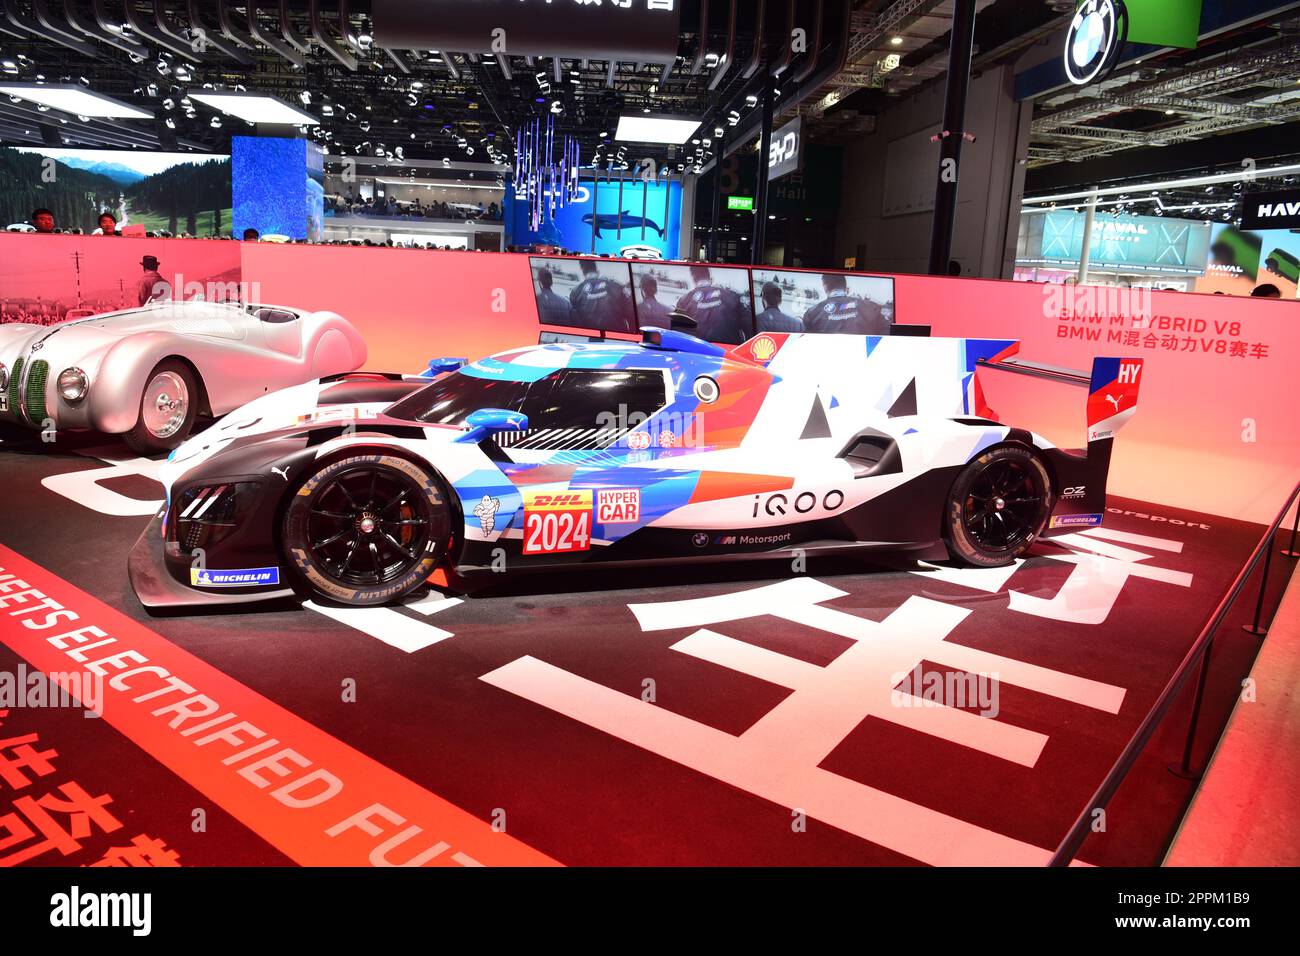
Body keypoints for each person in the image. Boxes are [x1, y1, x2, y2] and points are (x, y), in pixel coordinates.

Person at [674, 265, 750, 343]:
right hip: (727, 351)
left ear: (694, 279)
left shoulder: (683, 300)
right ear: (711, 279)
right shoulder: (732, 296)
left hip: (696, 351)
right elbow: (749, 327)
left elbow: (677, 334)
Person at [802, 273, 890, 335]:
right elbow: (887, 334)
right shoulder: (871, 308)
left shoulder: (812, 313)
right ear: (845, 285)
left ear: (825, 286)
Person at [569, 260, 635, 333]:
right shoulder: (616, 286)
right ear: (597, 271)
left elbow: (574, 320)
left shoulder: (576, 291)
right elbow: (631, 313)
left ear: (583, 271)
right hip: (617, 338)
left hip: (590, 339)